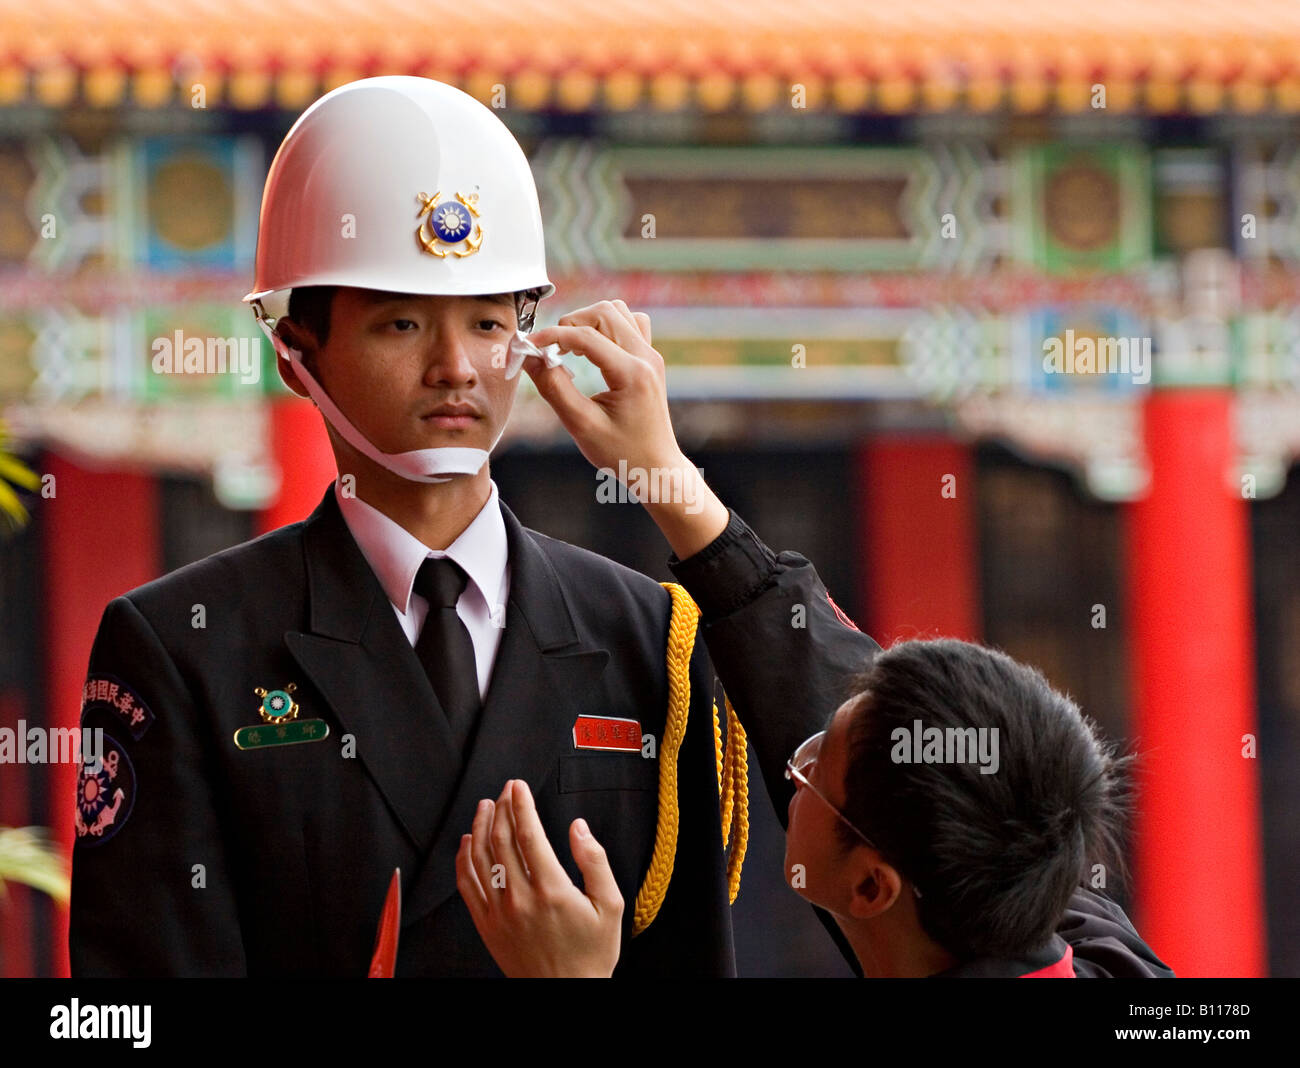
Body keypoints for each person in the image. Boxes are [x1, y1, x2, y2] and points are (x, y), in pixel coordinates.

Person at [68, 76, 864, 976]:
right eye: (402, 323)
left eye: (489, 323)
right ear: (297, 352)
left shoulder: (649, 638)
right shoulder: (183, 647)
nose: (455, 367)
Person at [456, 310, 1176, 980]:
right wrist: (666, 474)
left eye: (807, 772)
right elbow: (827, 683)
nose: (790, 759)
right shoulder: (1058, 931)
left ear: (870, 884)